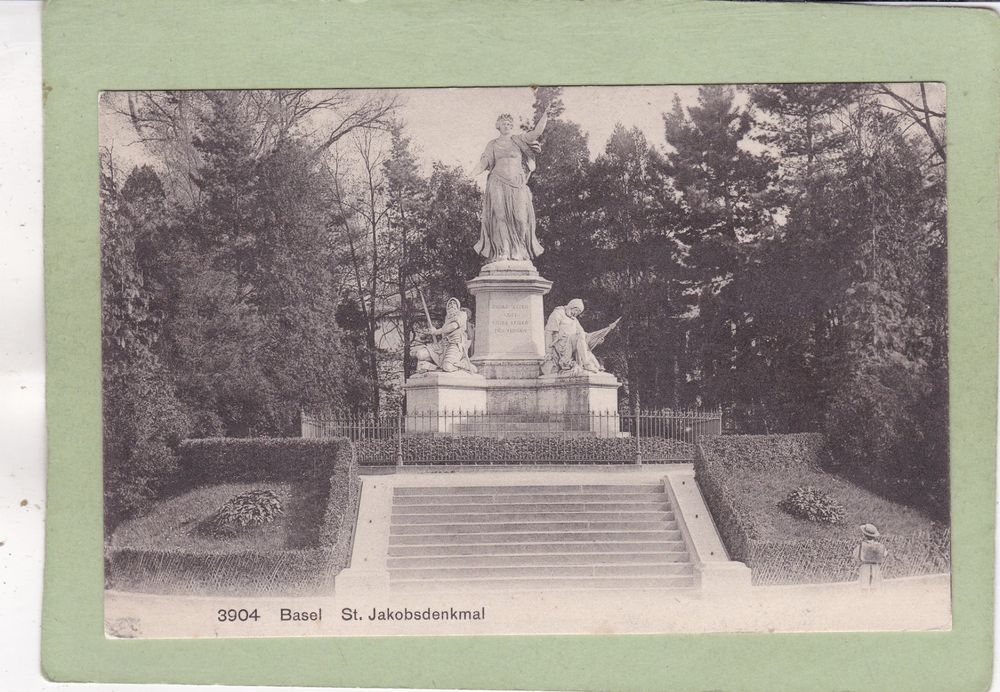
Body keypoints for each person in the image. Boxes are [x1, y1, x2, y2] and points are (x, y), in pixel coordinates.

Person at [469, 108, 550, 263]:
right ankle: (504, 250)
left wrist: (546, 114)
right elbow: (484, 162)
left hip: (517, 183)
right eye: (503, 123)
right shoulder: (492, 144)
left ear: (512, 126)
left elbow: (536, 132)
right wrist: (471, 175)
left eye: (508, 123)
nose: (506, 125)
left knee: (521, 218)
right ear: (498, 126)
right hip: (497, 181)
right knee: (500, 217)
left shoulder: (519, 140)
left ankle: (519, 249)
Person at [414, 298, 477, 374]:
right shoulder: (447, 318)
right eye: (450, 304)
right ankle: (435, 367)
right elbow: (445, 330)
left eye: (454, 303)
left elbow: (453, 326)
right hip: (442, 346)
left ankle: (464, 364)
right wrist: (432, 331)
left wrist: (436, 331)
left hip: (455, 345)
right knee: (420, 354)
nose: (452, 305)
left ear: (458, 307)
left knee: (447, 367)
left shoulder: (462, 314)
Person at [541, 299, 603, 375]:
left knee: (583, 339)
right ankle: (586, 363)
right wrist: (548, 352)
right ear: (572, 306)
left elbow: (583, 333)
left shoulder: (574, 319)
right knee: (580, 337)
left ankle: (592, 365)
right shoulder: (557, 314)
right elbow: (549, 332)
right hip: (561, 344)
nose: (576, 314)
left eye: (578, 312)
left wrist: (596, 339)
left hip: (572, 343)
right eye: (576, 310)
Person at [854, 523, 889, 589]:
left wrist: (859, 565)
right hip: (875, 567)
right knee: (874, 587)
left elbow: (856, 555)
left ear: (864, 535)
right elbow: (884, 554)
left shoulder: (861, 546)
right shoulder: (879, 546)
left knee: (864, 587)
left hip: (865, 567)